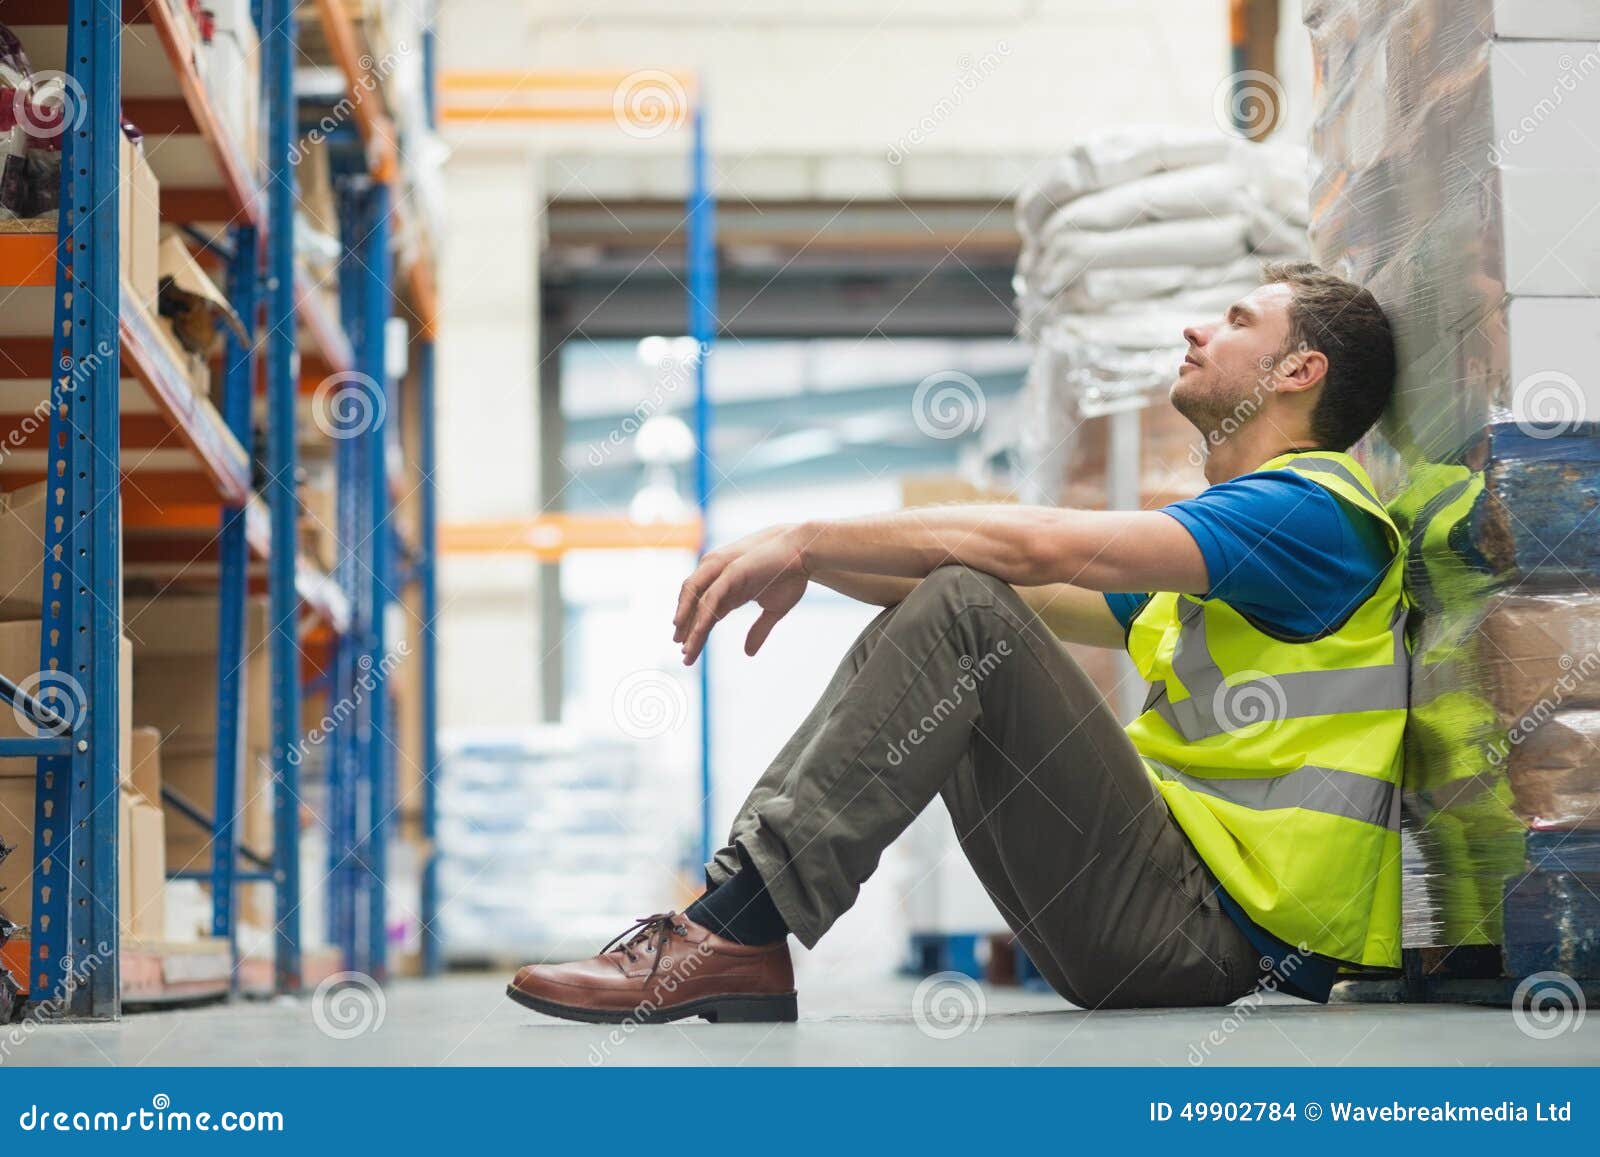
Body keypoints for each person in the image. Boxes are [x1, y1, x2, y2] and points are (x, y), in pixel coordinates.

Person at [506, 261, 1406, 1024]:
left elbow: (1035, 549)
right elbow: (1015, 590)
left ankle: (735, 929)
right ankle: (736, 925)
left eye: (1238, 320)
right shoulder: (1247, 542)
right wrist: (814, 563)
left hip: (1206, 933)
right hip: (1158, 916)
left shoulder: (1312, 512)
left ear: (1298, 371)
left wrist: (809, 535)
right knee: (955, 599)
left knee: (966, 602)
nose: (1198, 328)